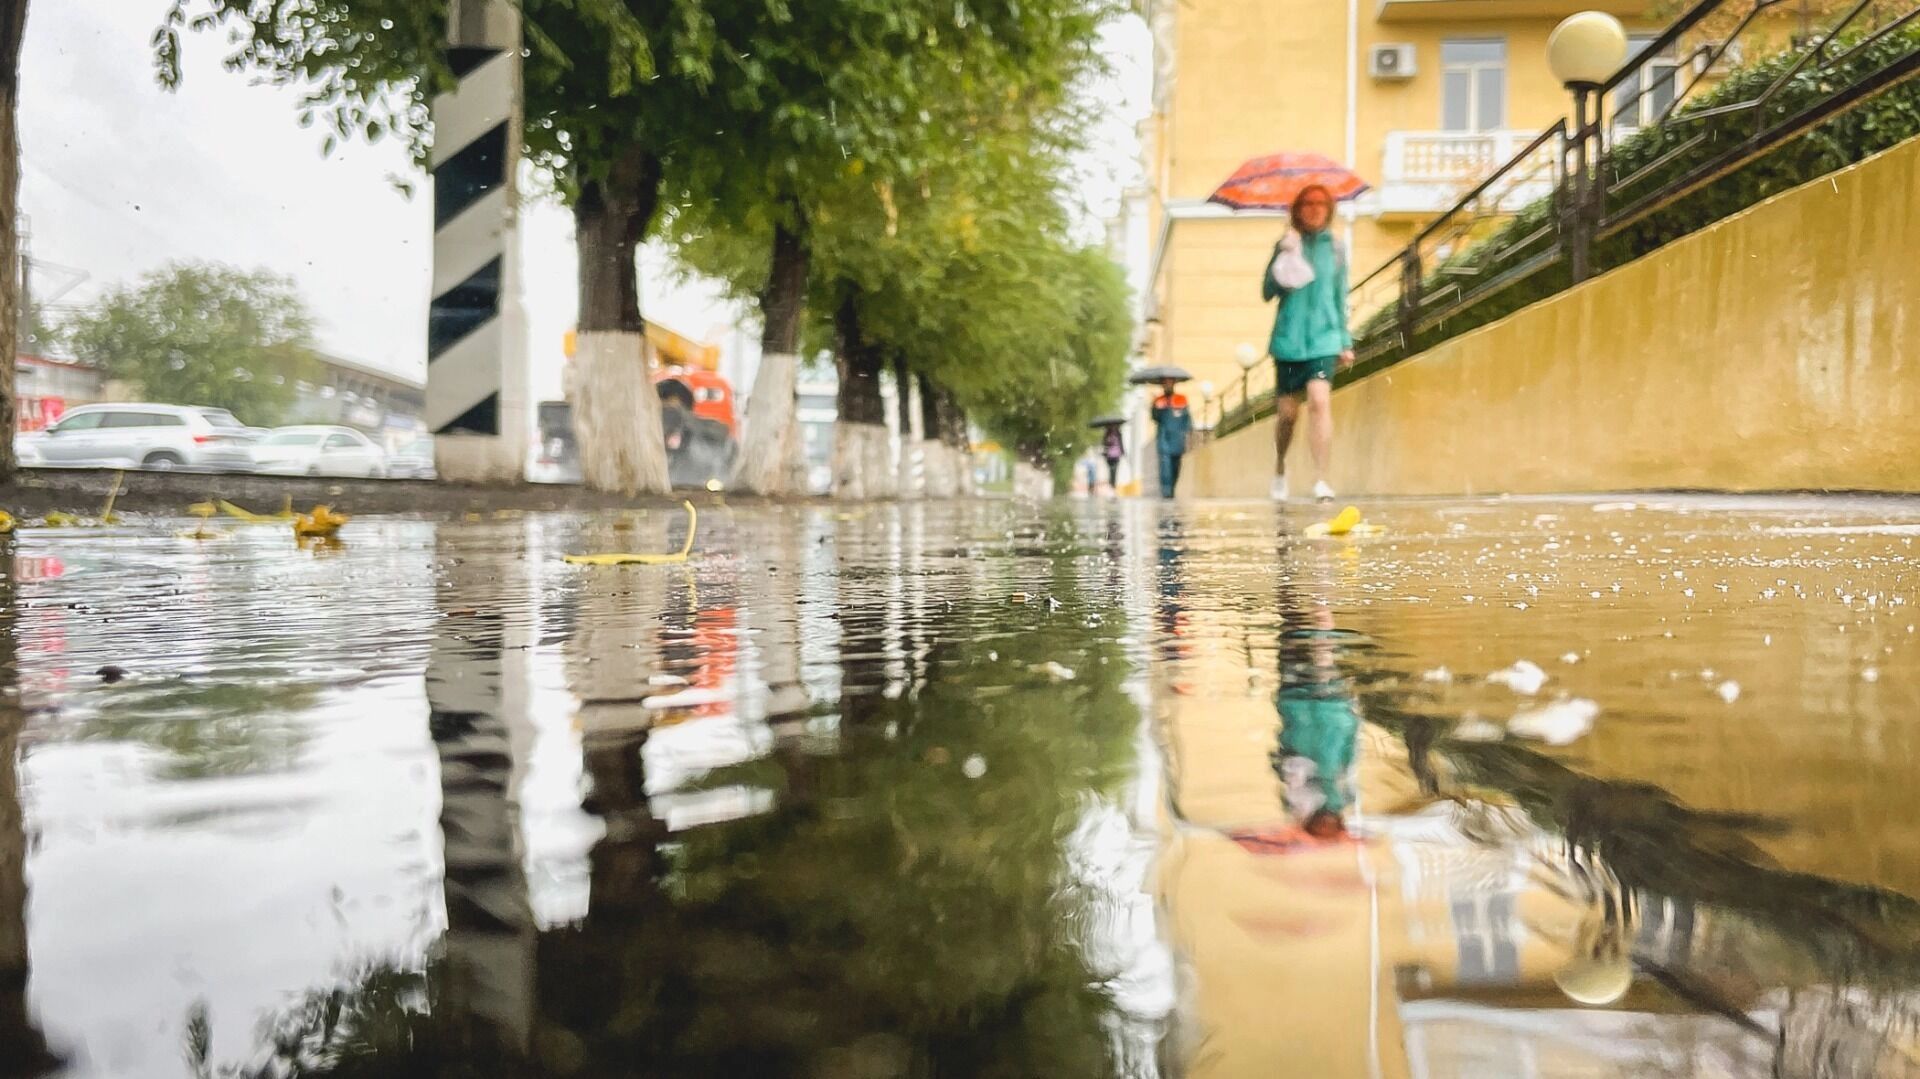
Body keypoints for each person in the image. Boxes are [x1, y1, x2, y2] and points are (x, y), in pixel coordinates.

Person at [1262, 183, 1355, 502]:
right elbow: (1267, 292)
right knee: (1288, 415)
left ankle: (1320, 479)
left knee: (1319, 401)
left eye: (1320, 203)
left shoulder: (1337, 248)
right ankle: (1279, 466)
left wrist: (1345, 340)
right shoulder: (1286, 243)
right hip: (1288, 341)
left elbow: (1340, 294)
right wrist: (1285, 257)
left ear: (1329, 209)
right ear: (1297, 210)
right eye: (1307, 203)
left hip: (1324, 338)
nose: (1314, 209)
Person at [1149, 379, 1191, 499]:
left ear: (1173, 384)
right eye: (1164, 383)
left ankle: (1172, 489)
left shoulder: (1181, 399)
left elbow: (1187, 420)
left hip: (1178, 439)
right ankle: (1166, 492)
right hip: (1164, 439)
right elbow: (1154, 417)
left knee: (1176, 467)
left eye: (1169, 383)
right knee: (1165, 467)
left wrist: (1188, 434)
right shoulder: (1159, 401)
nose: (1167, 385)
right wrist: (1154, 406)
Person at [1101, 425, 1125, 493]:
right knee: (1111, 470)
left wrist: (1123, 452)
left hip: (1117, 455)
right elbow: (1103, 444)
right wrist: (1108, 441)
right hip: (1109, 455)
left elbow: (1121, 443)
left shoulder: (1119, 434)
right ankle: (1111, 485)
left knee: (1114, 470)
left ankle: (1113, 486)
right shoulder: (1107, 434)